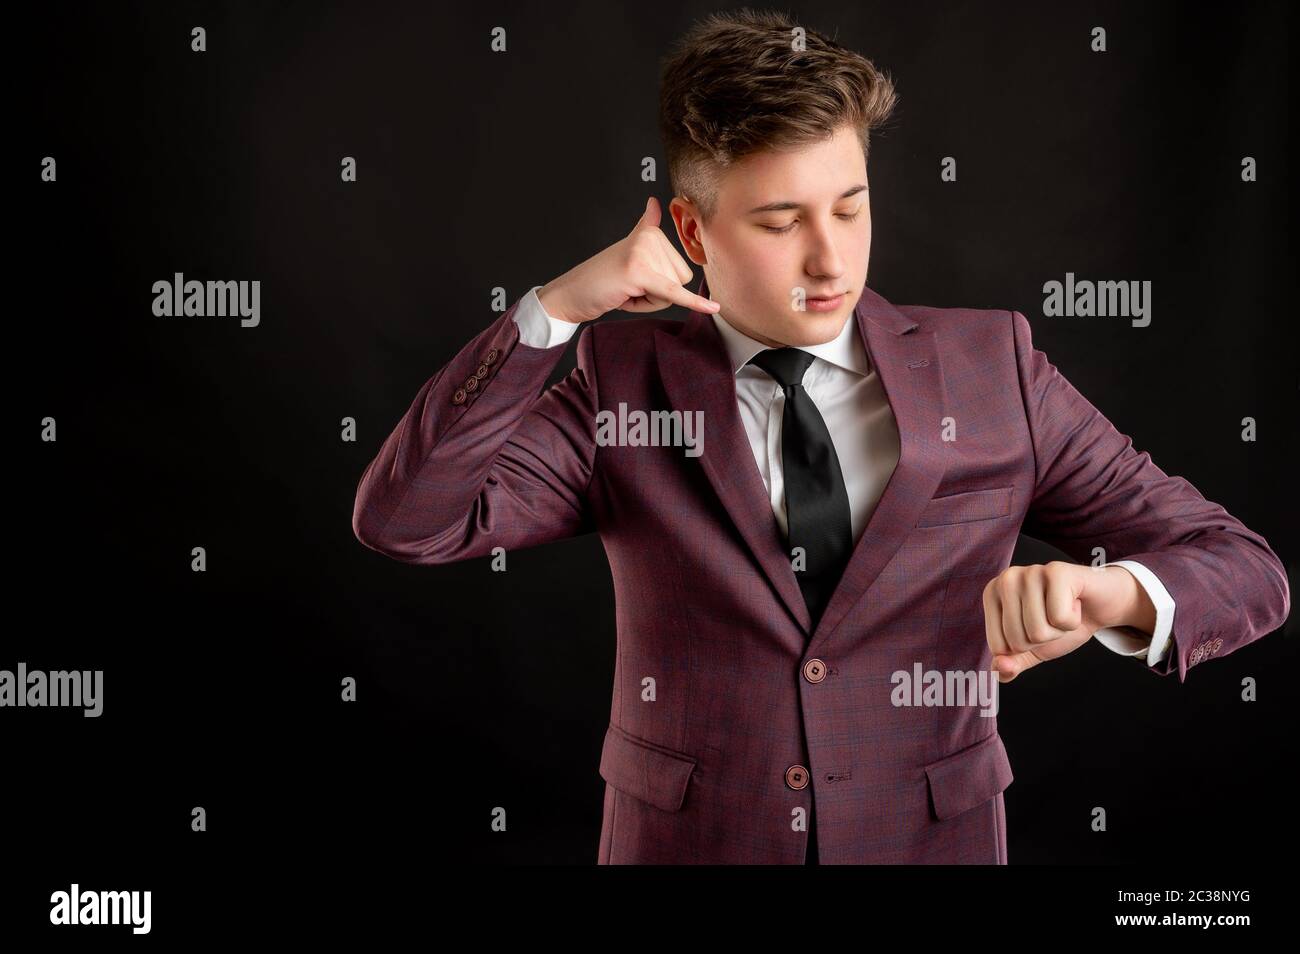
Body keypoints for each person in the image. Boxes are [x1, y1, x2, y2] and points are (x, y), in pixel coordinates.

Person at [351, 9, 1289, 864]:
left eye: (849, 205)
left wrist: (1111, 592)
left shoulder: (992, 367)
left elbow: (1243, 566)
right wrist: (552, 315)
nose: (831, 257)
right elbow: (410, 521)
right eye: (779, 220)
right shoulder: (623, 386)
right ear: (691, 227)